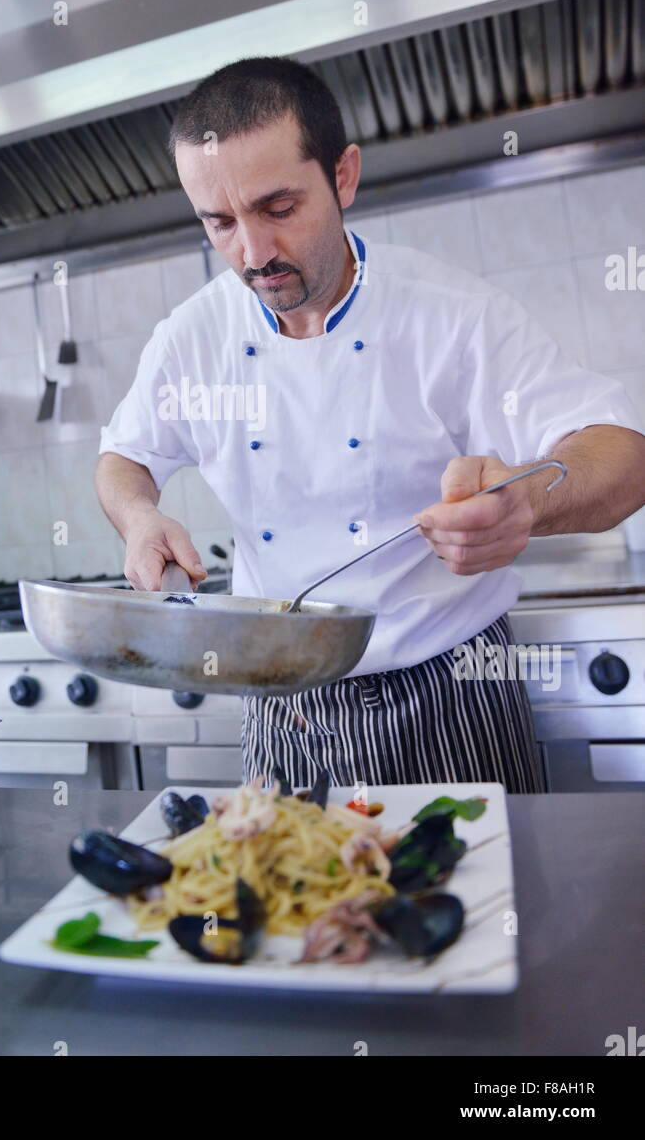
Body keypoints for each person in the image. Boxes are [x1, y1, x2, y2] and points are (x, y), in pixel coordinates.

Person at [96, 56, 645, 793]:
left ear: (343, 177)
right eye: (219, 223)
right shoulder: (191, 338)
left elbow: (620, 454)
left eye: (278, 208)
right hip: (282, 702)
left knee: (470, 905)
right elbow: (123, 456)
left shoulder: (449, 316)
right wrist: (138, 517)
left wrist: (529, 501)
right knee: (285, 906)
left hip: (450, 696)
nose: (252, 254)